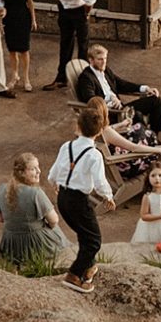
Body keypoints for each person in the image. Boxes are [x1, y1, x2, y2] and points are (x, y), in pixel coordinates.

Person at [50, 107, 115, 294]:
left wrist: (54, 183)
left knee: (84, 233)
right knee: (94, 240)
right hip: (79, 200)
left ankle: (89, 266)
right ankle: (74, 275)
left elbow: (54, 171)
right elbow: (100, 182)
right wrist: (108, 197)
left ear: (78, 126)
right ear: (100, 130)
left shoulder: (66, 146)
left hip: (63, 198)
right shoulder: (94, 155)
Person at [0, 151, 73, 265]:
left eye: (38, 167)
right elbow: (53, 220)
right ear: (21, 172)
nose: (39, 171)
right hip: (35, 243)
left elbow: (0, 218)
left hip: (11, 244)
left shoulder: (2, 188)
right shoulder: (35, 193)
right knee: (58, 235)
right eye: (33, 169)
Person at [71, 43, 161, 133]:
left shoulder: (105, 70)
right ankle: (146, 139)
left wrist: (145, 88)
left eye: (105, 58)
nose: (104, 62)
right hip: (110, 113)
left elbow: (121, 83)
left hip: (122, 108)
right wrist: (110, 98)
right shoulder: (86, 77)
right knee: (137, 115)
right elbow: (90, 99)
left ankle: (154, 136)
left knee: (156, 101)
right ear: (91, 60)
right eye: (100, 59)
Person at [34, 0, 97, 85]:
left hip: (79, 10)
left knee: (83, 46)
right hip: (64, 9)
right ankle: (61, 78)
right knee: (65, 44)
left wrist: (86, 14)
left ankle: (83, 78)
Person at [0, 0, 36, 95]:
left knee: (24, 50)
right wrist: (0, 23)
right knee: (12, 50)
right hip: (9, 20)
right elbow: (0, 3)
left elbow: (30, 3)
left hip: (23, 19)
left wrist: (33, 20)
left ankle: (26, 78)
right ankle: (14, 76)